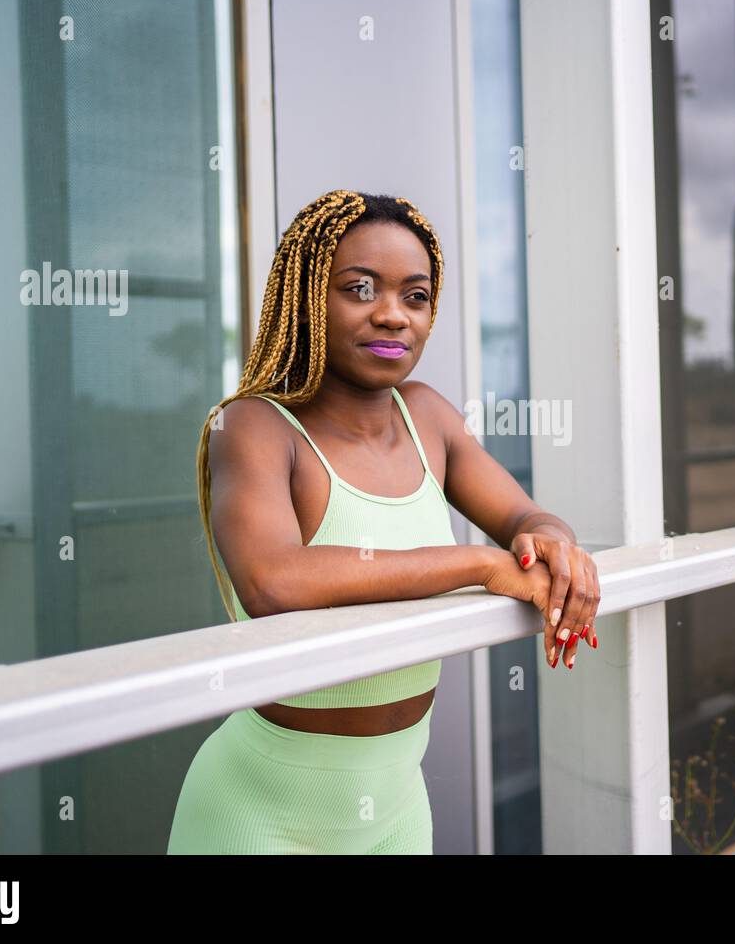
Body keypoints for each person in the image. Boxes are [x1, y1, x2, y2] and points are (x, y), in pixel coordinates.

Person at [167, 189, 601, 854]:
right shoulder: (253, 425)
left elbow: (522, 513)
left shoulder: (429, 416)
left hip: (396, 807)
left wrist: (557, 549)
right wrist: (482, 564)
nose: (393, 316)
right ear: (307, 297)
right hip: (259, 815)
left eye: (416, 296)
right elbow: (273, 581)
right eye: (360, 288)